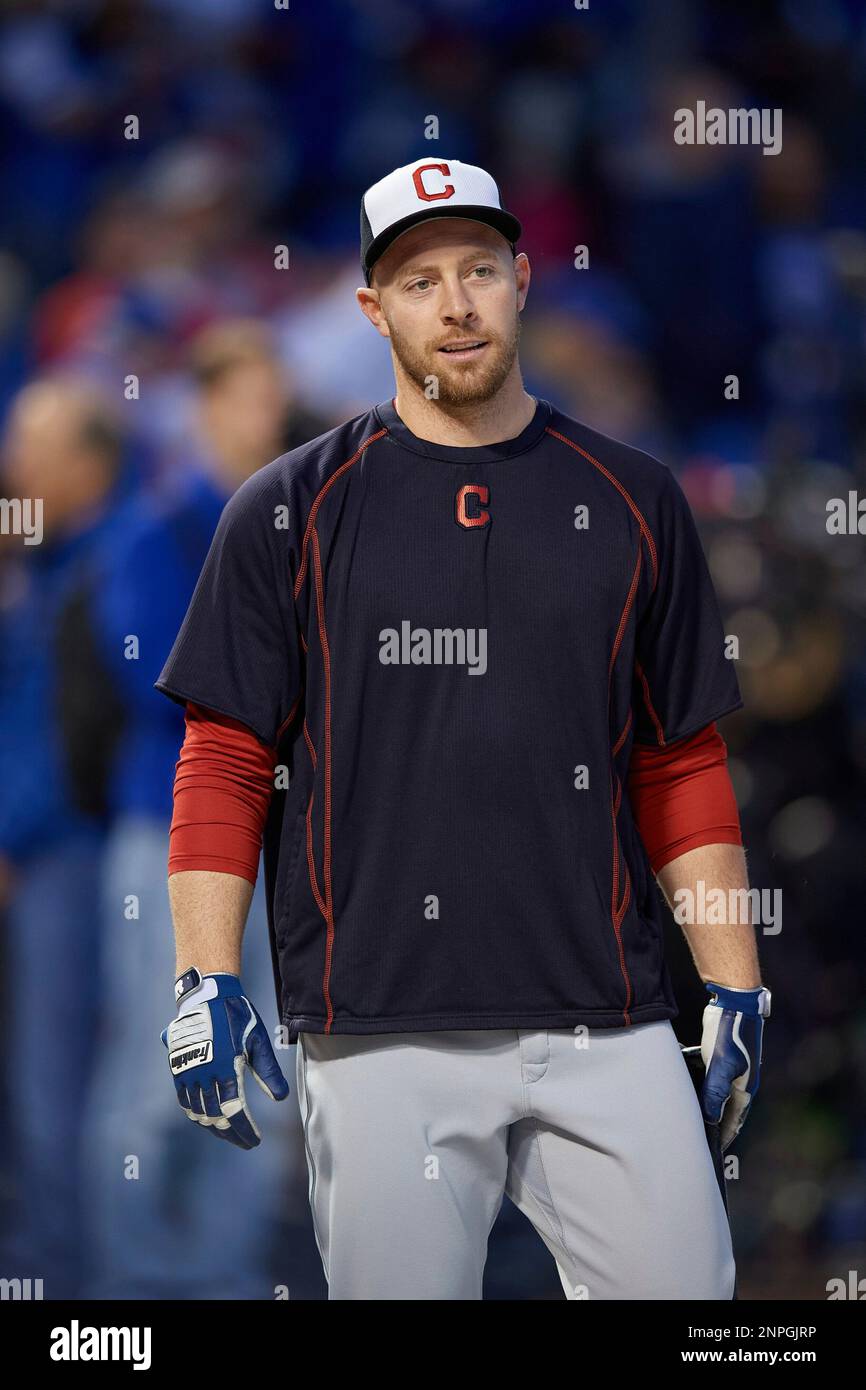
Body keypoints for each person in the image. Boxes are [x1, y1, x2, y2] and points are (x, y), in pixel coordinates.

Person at [155, 158, 770, 1301]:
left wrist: (731, 980)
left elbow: (677, 756)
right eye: (419, 279)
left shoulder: (634, 498)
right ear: (370, 308)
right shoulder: (287, 508)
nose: (454, 303)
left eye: (479, 269)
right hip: (382, 1024)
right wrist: (202, 977)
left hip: (608, 1015)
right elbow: (226, 754)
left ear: (523, 279)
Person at [80, 321, 310, 1299]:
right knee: (153, 1069)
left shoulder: (298, 517)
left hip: (278, 837)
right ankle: (129, 1290)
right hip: (167, 835)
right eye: (249, 397)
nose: (267, 417)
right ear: (209, 403)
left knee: (271, 1074)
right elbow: (159, 682)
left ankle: (221, 1281)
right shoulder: (159, 524)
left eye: (273, 397)